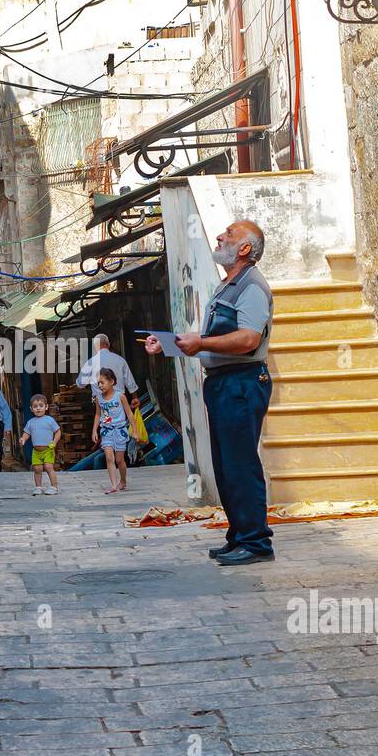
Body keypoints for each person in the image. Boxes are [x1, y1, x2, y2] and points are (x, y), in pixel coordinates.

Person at [145, 220, 274, 566]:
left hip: (242, 381)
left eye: (229, 233)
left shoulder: (252, 287)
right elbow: (211, 342)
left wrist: (200, 341)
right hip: (224, 382)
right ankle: (240, 535)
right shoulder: (226, 286)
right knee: (226, 465)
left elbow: (248, 339)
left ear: (245, 249)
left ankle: (257, 542)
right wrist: (172, 343)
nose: (220, 236)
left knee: (241, 463)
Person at [92, 367, 138, 494]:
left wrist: (134, 430)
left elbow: (129, 414)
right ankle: (113, 485)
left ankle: (123, 480)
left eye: (102, 382)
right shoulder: (98, 399)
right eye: (98, 383)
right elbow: (97, 414)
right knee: (109, 457)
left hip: (120, 431)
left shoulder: (120, 397)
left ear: (111, 382)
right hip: (106, 431)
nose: (100, 386)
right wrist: (94, 430)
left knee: (119, 460)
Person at [77, 333, 140, 410]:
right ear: (108, 345)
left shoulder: (90, 362)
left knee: (103, 421)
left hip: (100, 404)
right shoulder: (120, 360)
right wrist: (135, 398)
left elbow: (80, 384)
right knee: (120, 421)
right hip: (119, 402)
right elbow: (130, 382)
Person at [20, 394, 61, 496]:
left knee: (48, 467)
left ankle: (54, 487)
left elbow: (58, 432)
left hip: (48, 450)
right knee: (37, 469)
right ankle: (38, 487)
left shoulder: (50, 420)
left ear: (46, 407)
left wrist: (54, 442)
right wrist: (23, 438)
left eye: (41, 406)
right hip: (36, 451)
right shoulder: (30, 422)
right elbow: (27, 433)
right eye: (35, 406)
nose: (38, 408)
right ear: (31, 409)